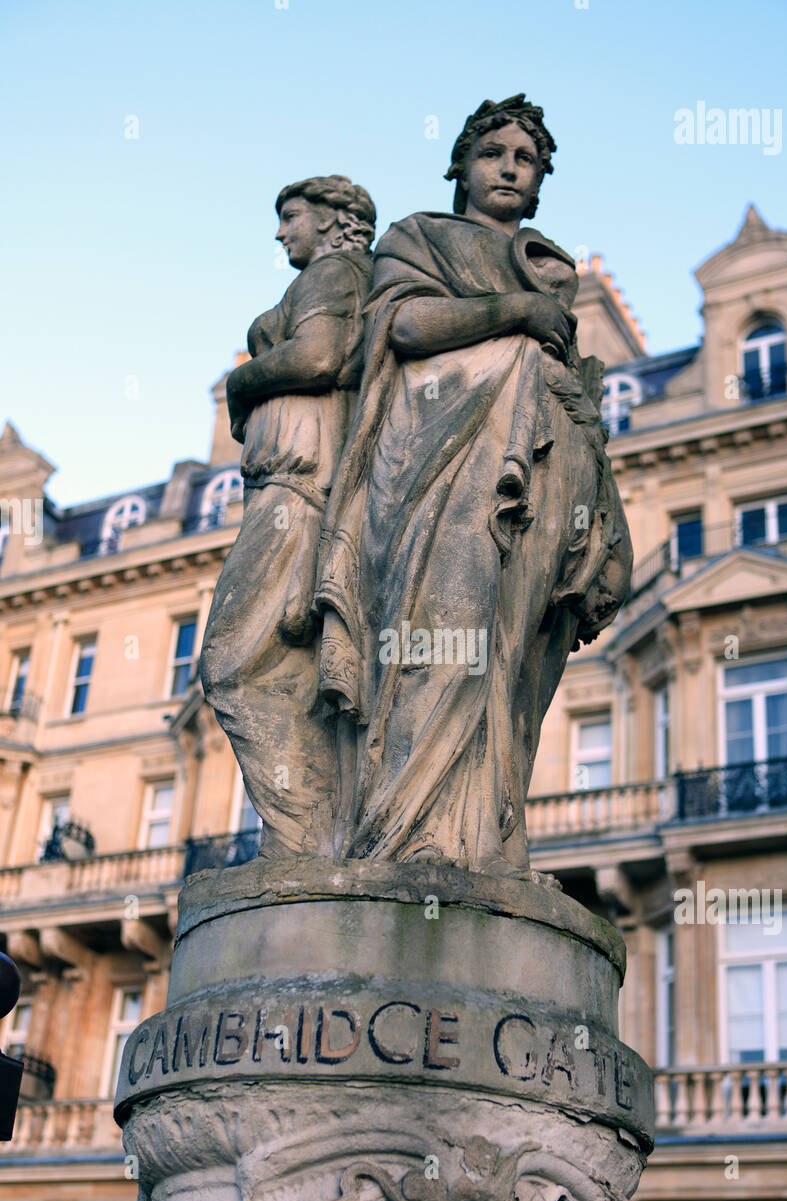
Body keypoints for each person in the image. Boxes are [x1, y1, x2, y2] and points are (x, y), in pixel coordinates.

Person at [314, 96, 632, 873]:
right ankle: (407, 840)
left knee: (512, 658)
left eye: (526, 160)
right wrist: (514, 311)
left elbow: (569, 390)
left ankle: (488, 843)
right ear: (460, 163)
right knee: (438, 637)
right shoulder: (418, 237)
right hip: (431, 465)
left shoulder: (549, 268)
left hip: (533, 477)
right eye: (495, 152)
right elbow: (409, 328)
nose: (510, 168)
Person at [200, 176, 376, 856]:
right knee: (289, 666)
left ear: (334, 220)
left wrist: (243, 383)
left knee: (233, 659)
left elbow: (320, 356)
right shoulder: (337, 275)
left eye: (290, 216)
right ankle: (309, 833)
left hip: (297, 491)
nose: (280, 233)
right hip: (291, 489)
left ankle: (306, 836)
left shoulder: (334, 273)